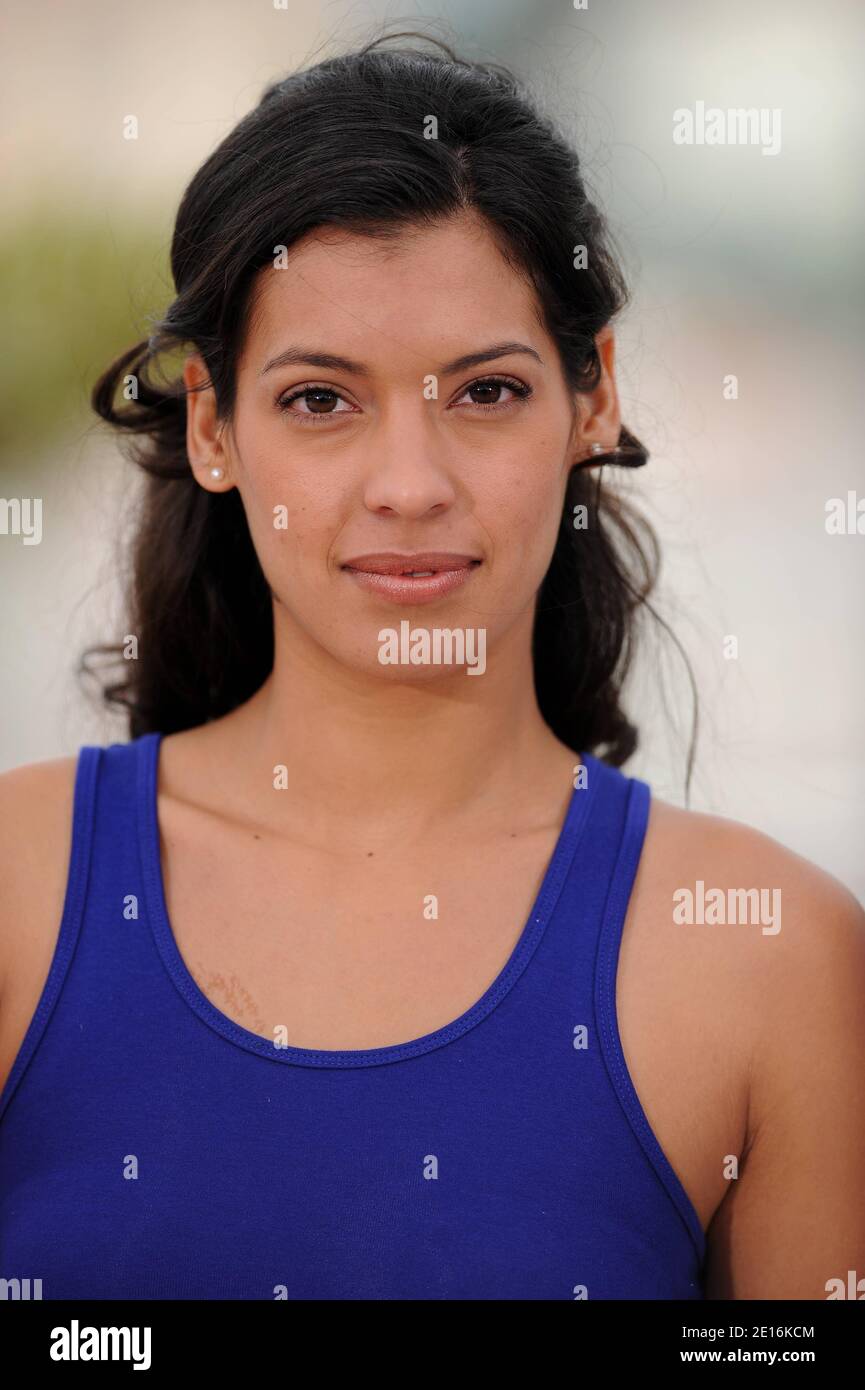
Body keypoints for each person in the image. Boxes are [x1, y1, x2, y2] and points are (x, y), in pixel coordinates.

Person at [0, 34, 863, 1302]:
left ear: (593, 399)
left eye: (485, 392)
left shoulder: (773, 958)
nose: (409, 485)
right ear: (213, 428)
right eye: (319, 400)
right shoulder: (16, 896)